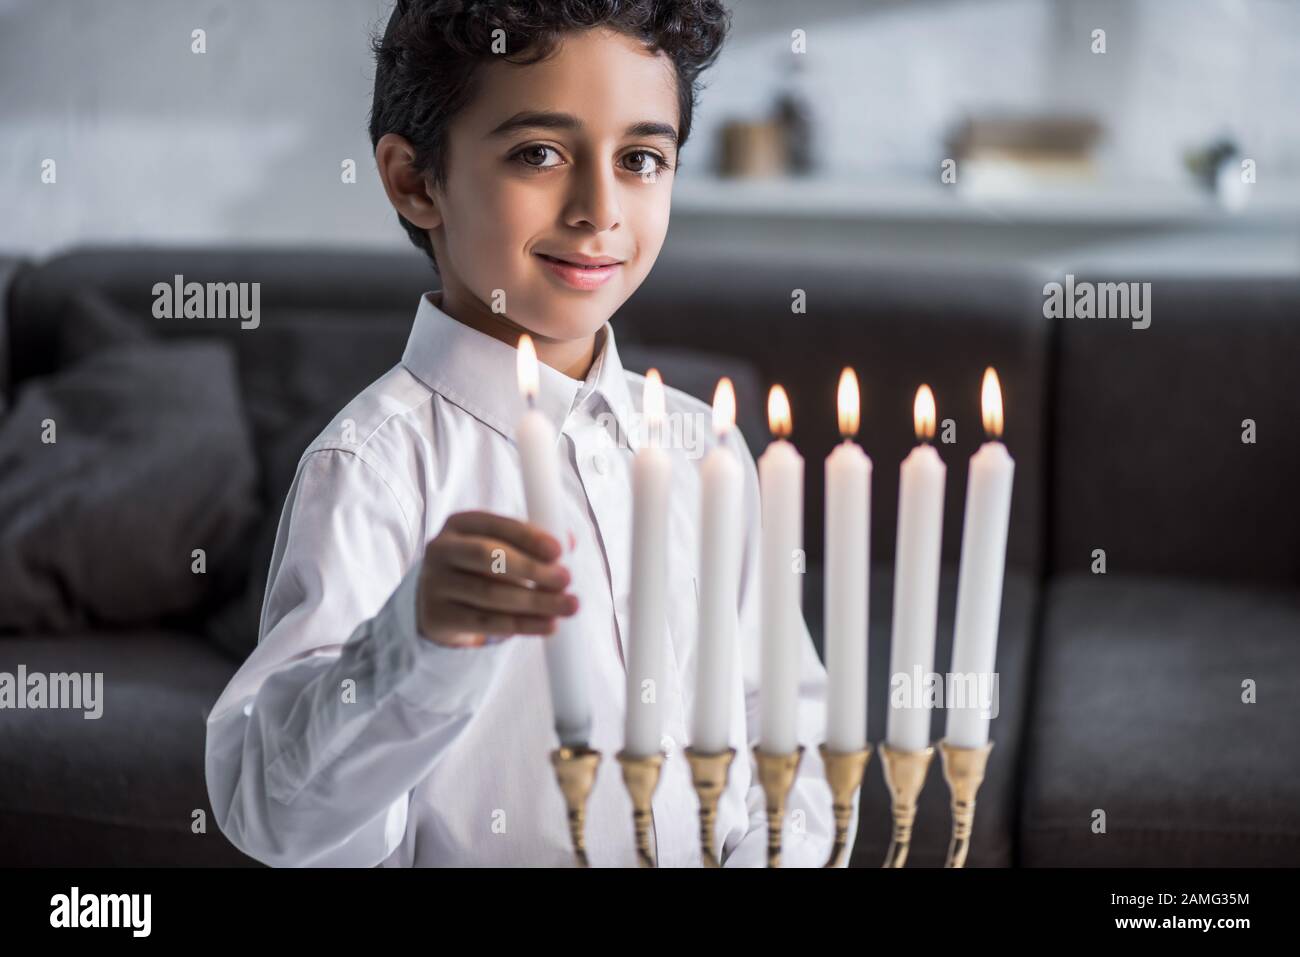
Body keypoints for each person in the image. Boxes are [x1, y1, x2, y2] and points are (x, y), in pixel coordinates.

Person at [204, 0, 855, 867]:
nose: (598, 209)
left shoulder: (709, 450)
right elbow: (274, 811)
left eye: (640, 159)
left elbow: (790, 732)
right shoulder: (375, 468)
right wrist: (414, 643)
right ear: (414, 180)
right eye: (538, 154)